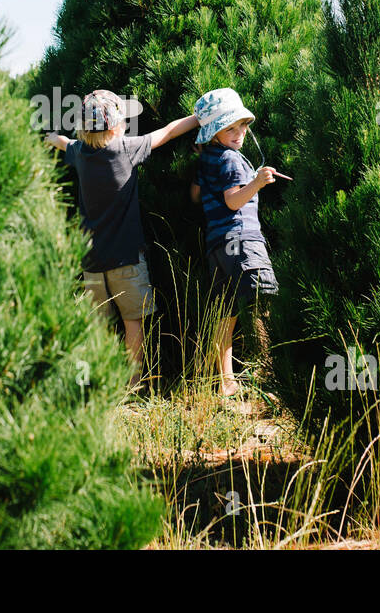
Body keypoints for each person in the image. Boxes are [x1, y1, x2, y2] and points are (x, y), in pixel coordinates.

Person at [44, 90, 198, 391]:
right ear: (116, 126)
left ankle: (99, 382)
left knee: (100, 326)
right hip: (126, 259)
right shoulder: (126, 149)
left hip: (91, 262)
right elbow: (166, 133)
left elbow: (63, 143)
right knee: (133, 323)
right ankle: (133, 382)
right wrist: (197, 118)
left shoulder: (80, 153)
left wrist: (50, 138)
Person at [190, 88, 279, 398]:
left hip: (217, 245)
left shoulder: (207, 160)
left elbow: (195, 195)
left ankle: (225, 381)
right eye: (230, 127)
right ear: (215, 132)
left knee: (225, 313)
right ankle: (266, 373)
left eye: (243, 125)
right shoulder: (230, 158)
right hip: (242, 239)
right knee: (258, 302)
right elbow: (232, 201)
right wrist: (256, 181)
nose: (240, 132)